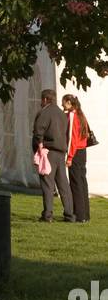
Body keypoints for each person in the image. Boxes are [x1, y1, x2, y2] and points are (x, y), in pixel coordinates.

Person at [32, 89, 75, 222]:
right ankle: (69, 214)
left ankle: (47, 214)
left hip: (48, 151)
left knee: (47, 184)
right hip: (61, 152)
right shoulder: (62, 114)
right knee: (63, 185)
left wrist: (38, 145)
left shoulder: (45, 112)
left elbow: (38, 131)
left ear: (45, 99)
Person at [62, 94, 91, 225]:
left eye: (64, 102)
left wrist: (69, 157)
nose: (62, 105)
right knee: (82, 181)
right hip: (82, 151)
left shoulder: (73, 116)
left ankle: (79, 214)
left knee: (75, 183)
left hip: (76, 151)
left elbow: (72, 139)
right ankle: (85, 213)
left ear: (69, 102)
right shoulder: (81, 115)